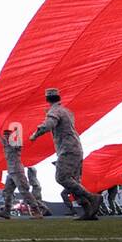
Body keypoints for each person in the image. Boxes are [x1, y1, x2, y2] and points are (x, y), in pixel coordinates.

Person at [30, 88, 102, 220]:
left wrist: (35, 134)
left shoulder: (55, 111)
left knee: (62, 178)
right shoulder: (67, 111)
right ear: (59, 98)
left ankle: (92, 198)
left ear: (47, 99)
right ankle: (88, 211)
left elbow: (49, 125)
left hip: (67, 149)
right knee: (74, 181)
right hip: (76, 148)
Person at [0, 118, 43, 219]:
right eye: (5, 135)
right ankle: (7, 211)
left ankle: (37, 211)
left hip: (17, 171)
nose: (5, 137)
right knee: (7, 192)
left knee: (24, 191)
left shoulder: (16, 145)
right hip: (11, 172)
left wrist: (17, 131)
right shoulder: (6, 145)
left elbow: (19, 139)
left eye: (7, 135)